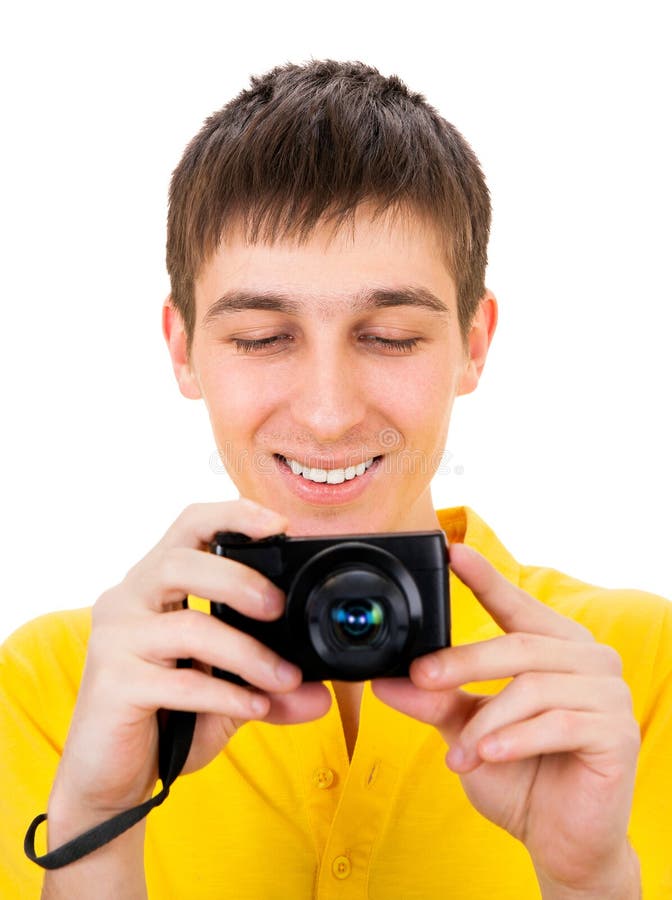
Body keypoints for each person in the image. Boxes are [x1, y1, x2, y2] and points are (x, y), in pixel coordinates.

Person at [1, 59, 670, 899]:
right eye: (259, 338)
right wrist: (98, 830)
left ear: (475, 343)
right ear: (183, 350)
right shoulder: (58, 685)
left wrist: (590, 881)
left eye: (389, 336)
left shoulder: (633, 673)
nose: (326, 413)